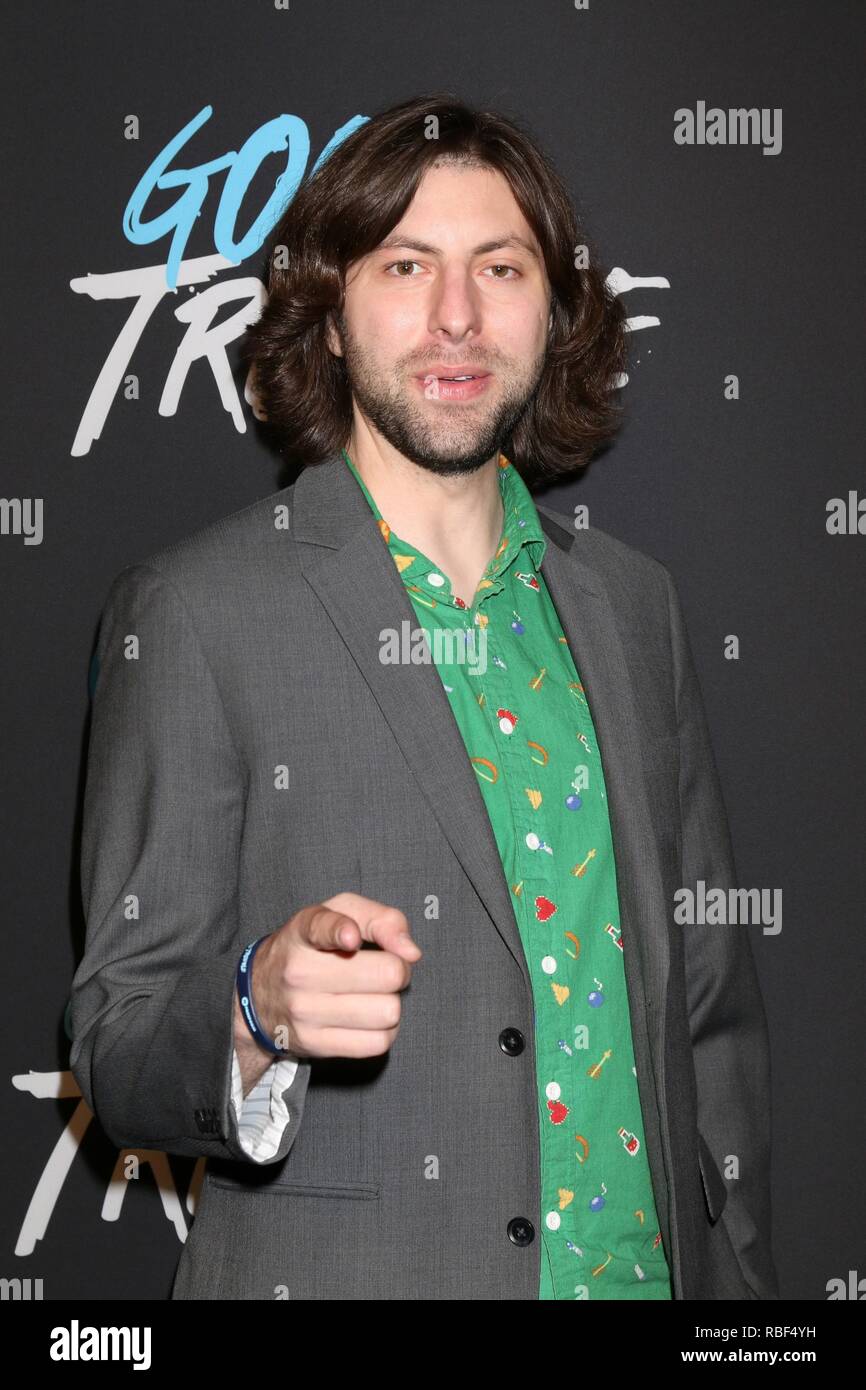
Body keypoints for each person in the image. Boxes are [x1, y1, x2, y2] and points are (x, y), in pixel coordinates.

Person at [70, 92, 780, 1300]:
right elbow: (117, 1043)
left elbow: (705, 1004)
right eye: (405, 264)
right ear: (330, 315)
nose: (456, 315)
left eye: (498, 268)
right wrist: (254, 1005)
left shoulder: (633, 605)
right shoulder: (193, 612)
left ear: (551, 312)